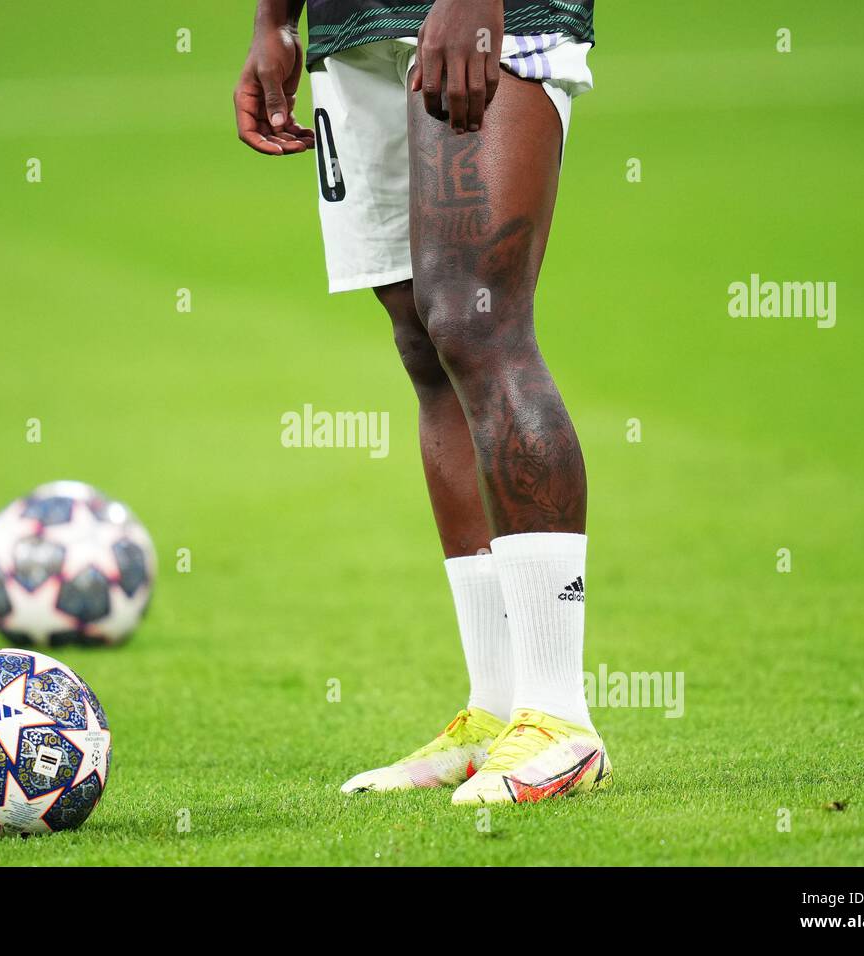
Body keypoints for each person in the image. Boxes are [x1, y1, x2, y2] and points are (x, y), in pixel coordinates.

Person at [234, 0, 610, 805]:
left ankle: (561, 717)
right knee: (425, 343)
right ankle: (500, 710)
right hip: (352, 24)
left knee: (476, 319)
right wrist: (278, 21)